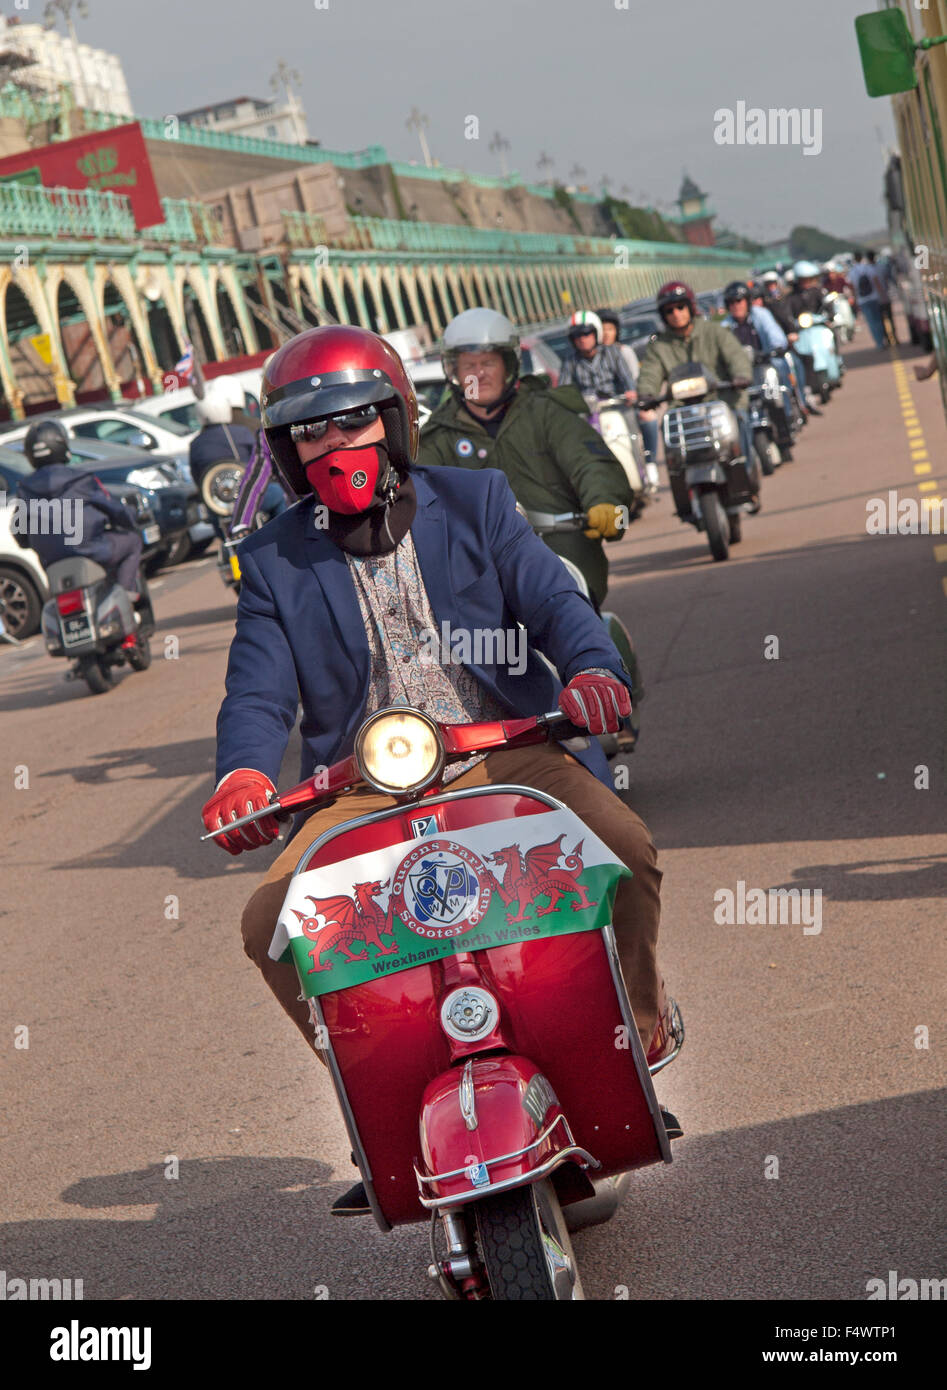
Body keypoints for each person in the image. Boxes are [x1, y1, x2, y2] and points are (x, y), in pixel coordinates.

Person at [201, 324, 676, 1213]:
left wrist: (589, 669)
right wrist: (241, 775)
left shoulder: (476, 500)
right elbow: (257, 693)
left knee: (622, 845)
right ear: (284, 451)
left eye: (350, 425)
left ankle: (638, 1027)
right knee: (272, 922)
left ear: (393, 419)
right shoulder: (273, 560)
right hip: (360, 785)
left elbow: (549, 596)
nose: (332, 449)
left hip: (505, 747)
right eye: (309, 434)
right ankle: (370, 1097)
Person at [415, 308, 633, 608]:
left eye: (488, 363)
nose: (479, 373)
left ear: (509, 364)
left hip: (562, 559)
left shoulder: (546, 412)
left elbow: (590, 462)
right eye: (469, 365)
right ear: (453, 372)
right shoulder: (437, 437)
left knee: (586, 644)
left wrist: (605, 501)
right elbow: (418, 499)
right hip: (481, 574)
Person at [13, 419, 143, 599]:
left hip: (50, 560)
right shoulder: (82, 480)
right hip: (92, 550)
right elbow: (114, 509)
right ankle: (125, 597)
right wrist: (131, 517)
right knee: (133, 542)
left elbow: (19, 533)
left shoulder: (24, 488)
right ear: (63, 446)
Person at [636, 280, 755, 469]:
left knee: (740, 421)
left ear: (691, 307)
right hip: (681, 408)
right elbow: (650, 371)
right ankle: (681, 481)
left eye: (680, 307)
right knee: (669, 433)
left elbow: (736, 357)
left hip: (723, 399)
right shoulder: (659, 346)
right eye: (669, 310)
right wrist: (645, 394)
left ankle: (747, 474)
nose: (676, 314)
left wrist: (740, 376)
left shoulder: (715, 332)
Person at [597, 308, 661, 489]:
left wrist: (632, 395)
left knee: (647, 418)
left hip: (625, 405)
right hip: (602, 410)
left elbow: (634, 380)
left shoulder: (624, 352)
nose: (606, 334)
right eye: (602, 330)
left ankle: (649, 463)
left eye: (610, 329)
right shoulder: (589, 356)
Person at [722, 281, 795, 434]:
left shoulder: (761, 315)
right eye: (731, 303)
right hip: (741, 373)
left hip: (765, 363)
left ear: (747, 301)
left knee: (779, 372)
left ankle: (787, 416)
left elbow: (775, 336)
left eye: (739, 301)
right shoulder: (725, 326)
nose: (736, 306)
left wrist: (775, 349)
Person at [188, 384, 258, 538]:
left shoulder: (196, 444)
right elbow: (259, 461)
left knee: (214, 519)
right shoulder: (242, 432)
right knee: (278, 497)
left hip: (219, 505)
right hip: (251, 498)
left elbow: (197, 476)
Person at [850, 250, 888, 350]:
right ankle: (883, 340)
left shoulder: (852, 271)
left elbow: (853, 288)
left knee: (871, 322)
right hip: (874, 297)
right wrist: (882, 295)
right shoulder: (868, 268)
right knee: (878, 320)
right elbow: (876, 282)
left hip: (862, 300)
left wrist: (855, 300)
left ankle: (878, 343)